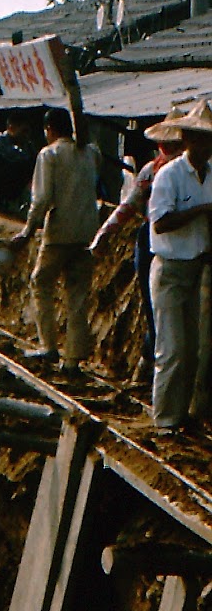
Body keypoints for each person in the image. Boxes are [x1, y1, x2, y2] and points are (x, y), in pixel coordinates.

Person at [89, 107, 186, 386]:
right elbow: (128, 205)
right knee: (154, 307)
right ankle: (149, 363)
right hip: (154, 239)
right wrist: (104, 234)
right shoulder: (151, 171)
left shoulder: (197, 173)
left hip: (187, 242)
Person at [11, 107, 100, 375]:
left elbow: (41, 199)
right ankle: (72, 358)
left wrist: (28, 230)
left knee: (41, 282)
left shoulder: (48, 154)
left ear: (49, 129)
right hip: (87, 232)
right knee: (77, 295)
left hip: (59, 232)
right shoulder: (91, 153)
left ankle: (48, 345)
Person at [146, 99, 212, 435]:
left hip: (196, 267)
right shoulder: (169, 175)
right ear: (186, 139)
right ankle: (165, 419)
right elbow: (160, 223)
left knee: (191, 349)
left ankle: (181, 414)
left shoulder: (210, 175)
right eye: (199, 138)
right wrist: (202, 210)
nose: (204, 146)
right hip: (170, 269)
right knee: (171, 348)